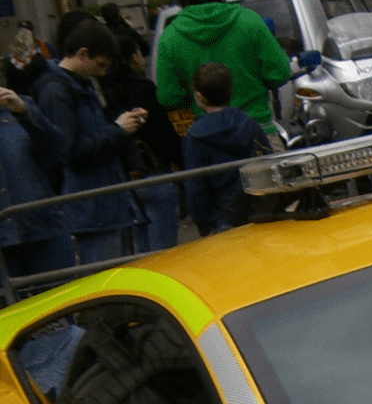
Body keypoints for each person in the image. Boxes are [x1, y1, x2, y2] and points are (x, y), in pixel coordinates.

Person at [31, 20, 144, 266]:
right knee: (105, 286)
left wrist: (119, 128)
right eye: (100, 64)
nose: (103, 72)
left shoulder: (79, 85)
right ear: (82, 54)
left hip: (104, 206)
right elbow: (69, 152)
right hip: (92, 210)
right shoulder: (56, 91)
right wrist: (117, 130)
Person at [155, 0, 291, 143]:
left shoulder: (170, 37)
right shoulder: (249, 20)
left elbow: (169, 97)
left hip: (208, 139)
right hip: (257, 130)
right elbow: (280, 72)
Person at [106, 31, 182, 252]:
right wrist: (179, 159)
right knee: (163, 251)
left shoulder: (106, 94)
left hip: (125, 178)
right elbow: (164, 134)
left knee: (141, 251)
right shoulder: (143, 90)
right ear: (133, 58)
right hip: (155, 172)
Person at [182, 60, 268, 233]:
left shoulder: (195, 136)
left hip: (221, 217)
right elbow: (268, 161)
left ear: (200, 96)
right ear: (230, 90)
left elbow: (195, 187)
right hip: (257, 209)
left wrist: (203, 224)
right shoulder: (249, 123)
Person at [0, 83, 74, 283]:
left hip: (43, 228)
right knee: (12, 313)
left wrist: (24, 112)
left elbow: (58, 150)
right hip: (4, 248)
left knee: (62, 303)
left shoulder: (19, 106)